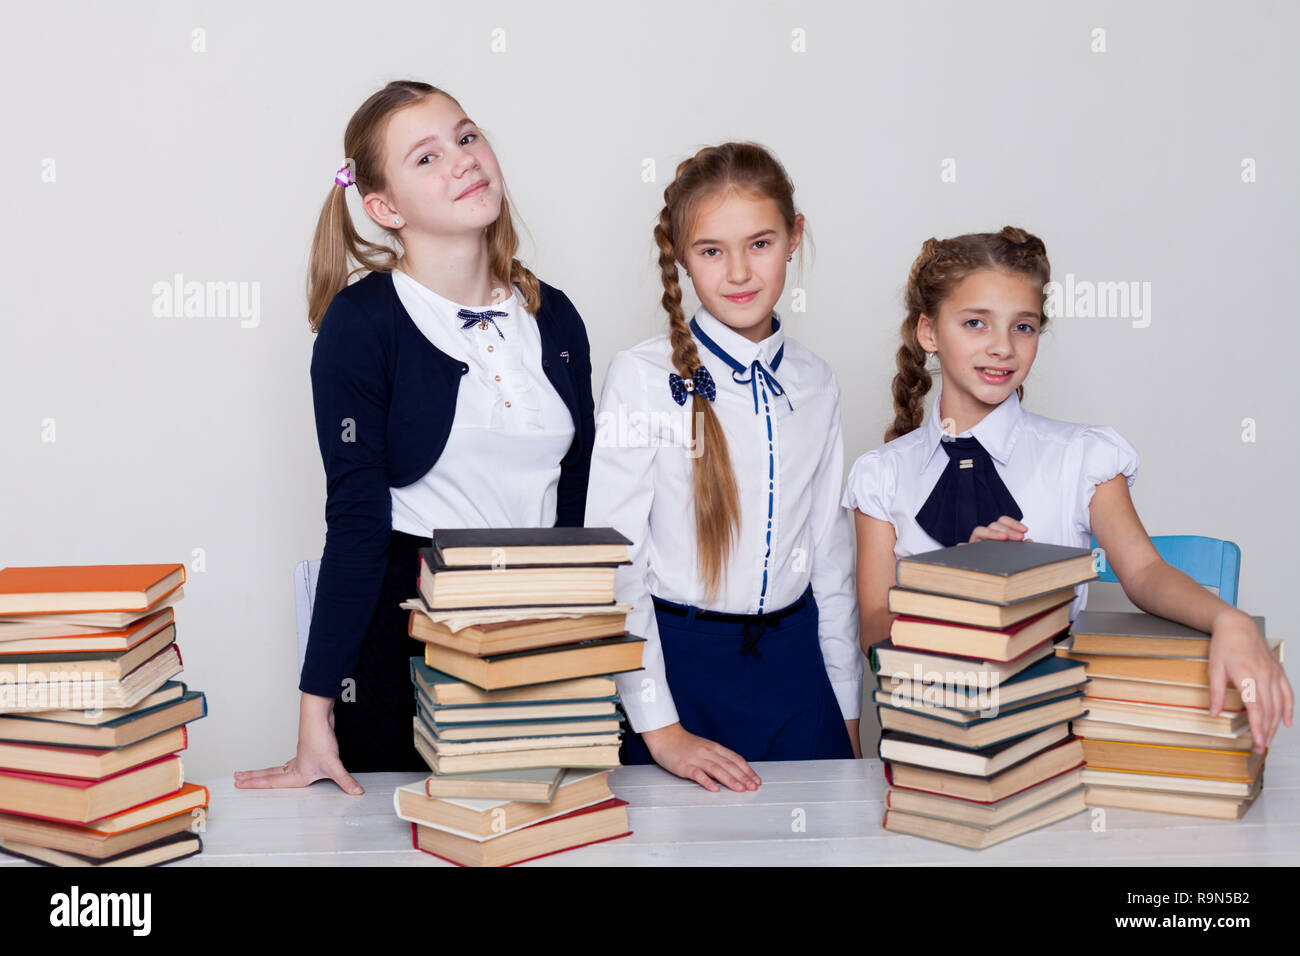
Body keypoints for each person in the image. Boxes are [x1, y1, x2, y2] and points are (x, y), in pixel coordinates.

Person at [235, 80, 595, 793]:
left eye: (465, 138)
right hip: (409, 633)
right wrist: (316, 716)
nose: (462, 160)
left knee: (544, 827)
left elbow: (579, 503)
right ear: (384, 208)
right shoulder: (362, 323)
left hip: (538, 625)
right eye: (426, 158)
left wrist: (580, 653)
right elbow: (357, 523)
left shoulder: (553, 317)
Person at [844, 226, 1292, 753]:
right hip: (928, 742)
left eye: (1024, 327)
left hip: (1053, 738)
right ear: (928, 332)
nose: (1002, 348)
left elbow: (1144, 572)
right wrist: (959, 584)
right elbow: (873, 629)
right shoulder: (882, 475)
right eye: (974, 323)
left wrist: (1231, 622)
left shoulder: (1082, 457)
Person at [585, 142, 863, 794]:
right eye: (711, 250)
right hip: (677, 675)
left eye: (759, 243)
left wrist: (846, 714)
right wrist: (661, 729)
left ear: (794, 237)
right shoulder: (640, 378)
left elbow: (831, 564)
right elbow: (616, 565)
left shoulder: (817, 384)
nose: (739, 271)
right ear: (681, 256)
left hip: (796, 677)